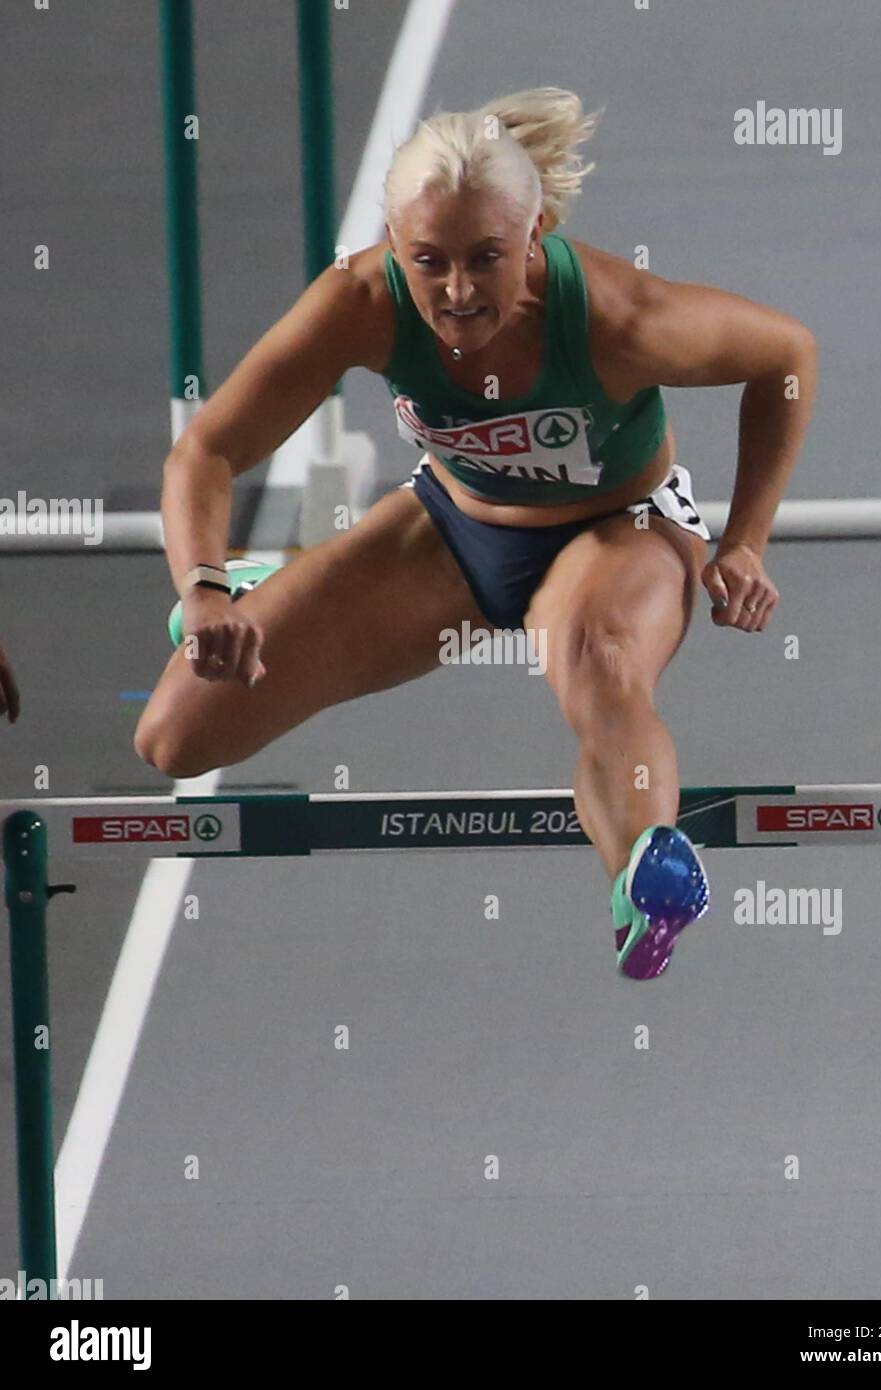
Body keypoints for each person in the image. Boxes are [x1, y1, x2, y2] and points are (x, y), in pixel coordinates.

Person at [135, 87, 818, 980]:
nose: (457, 293)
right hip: (450, 529)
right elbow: (208, 452)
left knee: (599, 658)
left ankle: (645, 879)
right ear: (392, 247)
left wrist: (744, 541)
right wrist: (204, 587)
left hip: (619, 534)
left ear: (532, 239)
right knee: (177, 739)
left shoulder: (621, 320)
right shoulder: (359, 300)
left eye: (485, 259)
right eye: (429, 262)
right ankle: (266, 585)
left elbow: (787, 357)